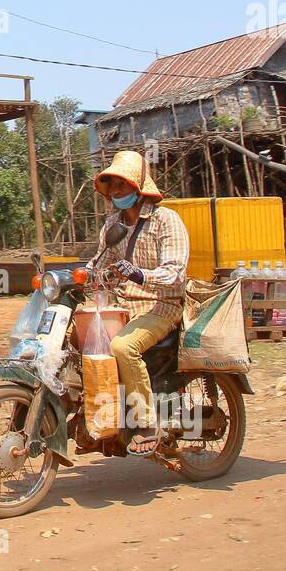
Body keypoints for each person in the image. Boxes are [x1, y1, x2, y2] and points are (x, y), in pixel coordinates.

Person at [89, 150, 189, 456]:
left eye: (123, 184)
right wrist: (89, 275)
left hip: (161, 305)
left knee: (122, 347)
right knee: (75, 341)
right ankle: (102, 418)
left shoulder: (165, 220)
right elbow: (99, 263)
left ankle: (147, 423)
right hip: (125, 305)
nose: (117, 191)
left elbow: (175, 272)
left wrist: (139, 274)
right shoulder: (112, 226)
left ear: (139, 186)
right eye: (112, 186)